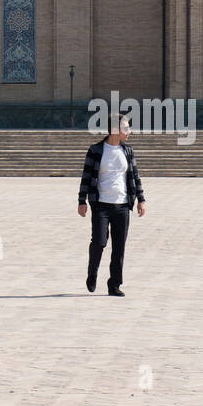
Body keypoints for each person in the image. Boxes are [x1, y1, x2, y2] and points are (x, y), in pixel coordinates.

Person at [78, 116, 146, 296]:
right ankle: (92, 273)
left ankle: (114, 284)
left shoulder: (128, 151)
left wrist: (141, 199)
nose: (129, 132)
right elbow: (86, 176)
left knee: (119, 247)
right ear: (116, 130)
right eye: (127, 128)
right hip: (101, 205)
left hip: (122, 206)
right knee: (99, 242)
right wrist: (81, 201)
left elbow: (135, 177)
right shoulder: (96, 150)